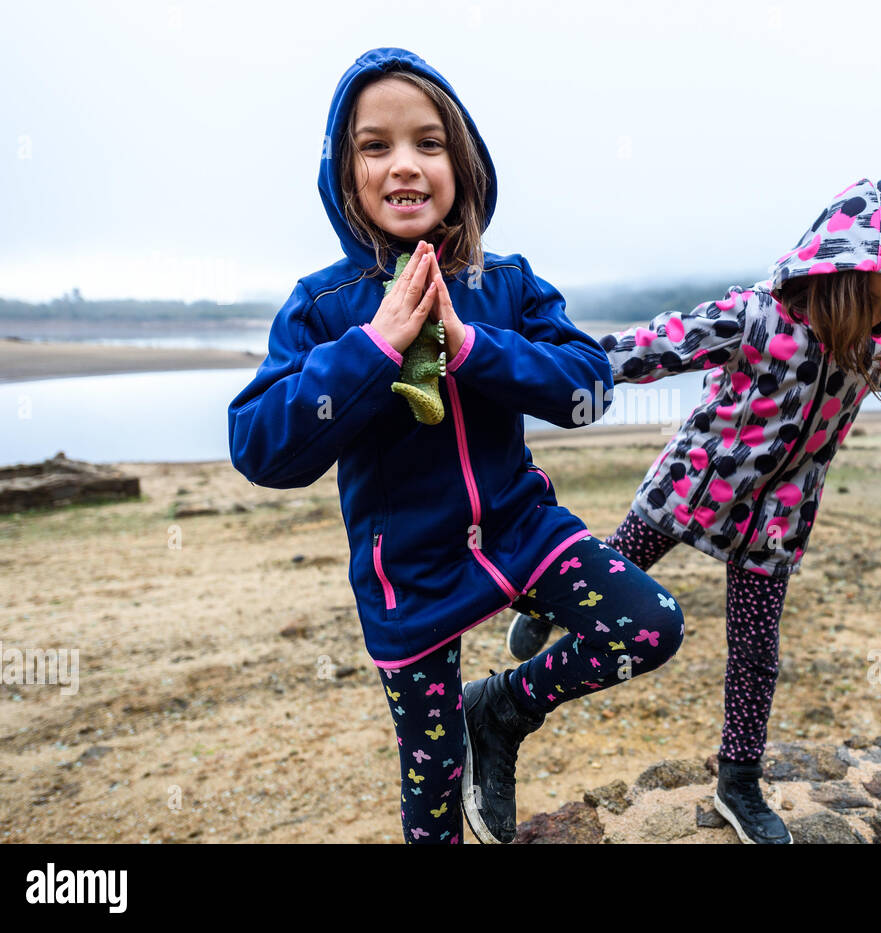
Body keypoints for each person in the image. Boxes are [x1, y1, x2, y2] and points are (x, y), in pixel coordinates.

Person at [227, 48, 684, 845]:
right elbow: (259, 446)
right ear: (346, 173)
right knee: (433, 803)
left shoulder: (505, 280)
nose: (404, 164)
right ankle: (457, 747)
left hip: (520, 529)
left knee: (650, 623)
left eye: (428, 142)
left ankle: (500, 710)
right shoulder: (323, 306)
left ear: (462, 162)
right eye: (375, 145)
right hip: (407, 576)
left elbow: (589, 386)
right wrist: (372, 348)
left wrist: (473, 346)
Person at [505, 178, 881, 843]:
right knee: (608, 572)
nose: (877, 324)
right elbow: (655, 345)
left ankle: (738, 778)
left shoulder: (875, 347)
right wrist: (558, 369)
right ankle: (542, 606)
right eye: (870, 305)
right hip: (689, 486)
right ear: (831, 275)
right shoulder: (754, 317)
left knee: (756, 652)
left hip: (777, 520)